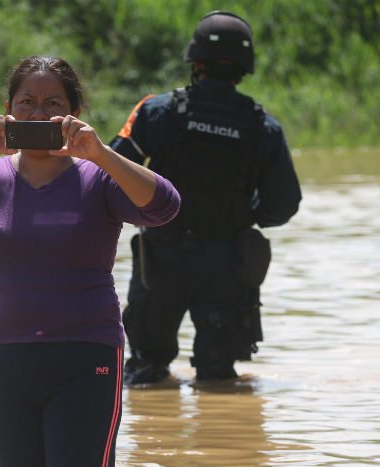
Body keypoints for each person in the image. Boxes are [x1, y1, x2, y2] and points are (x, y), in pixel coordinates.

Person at [0, 55, 180, 467]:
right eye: (26, 103)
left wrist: (101, 153)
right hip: (3, 356)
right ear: (7, 112)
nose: (39, 114)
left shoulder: (99, 177)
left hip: (86, 357)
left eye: (53, 105)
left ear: (75, 114)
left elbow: (164, 207)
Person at [109, 11, 302, 384]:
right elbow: (284, 204)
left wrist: (142, 210)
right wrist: (247, 215)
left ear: (195, 61)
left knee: (146, 373)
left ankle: (151, 441)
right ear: (244, 67)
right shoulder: (263, 127)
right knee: (218, 378)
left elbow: (112, 171)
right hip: (227, 264)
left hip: (160, 261)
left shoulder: (156, 111)